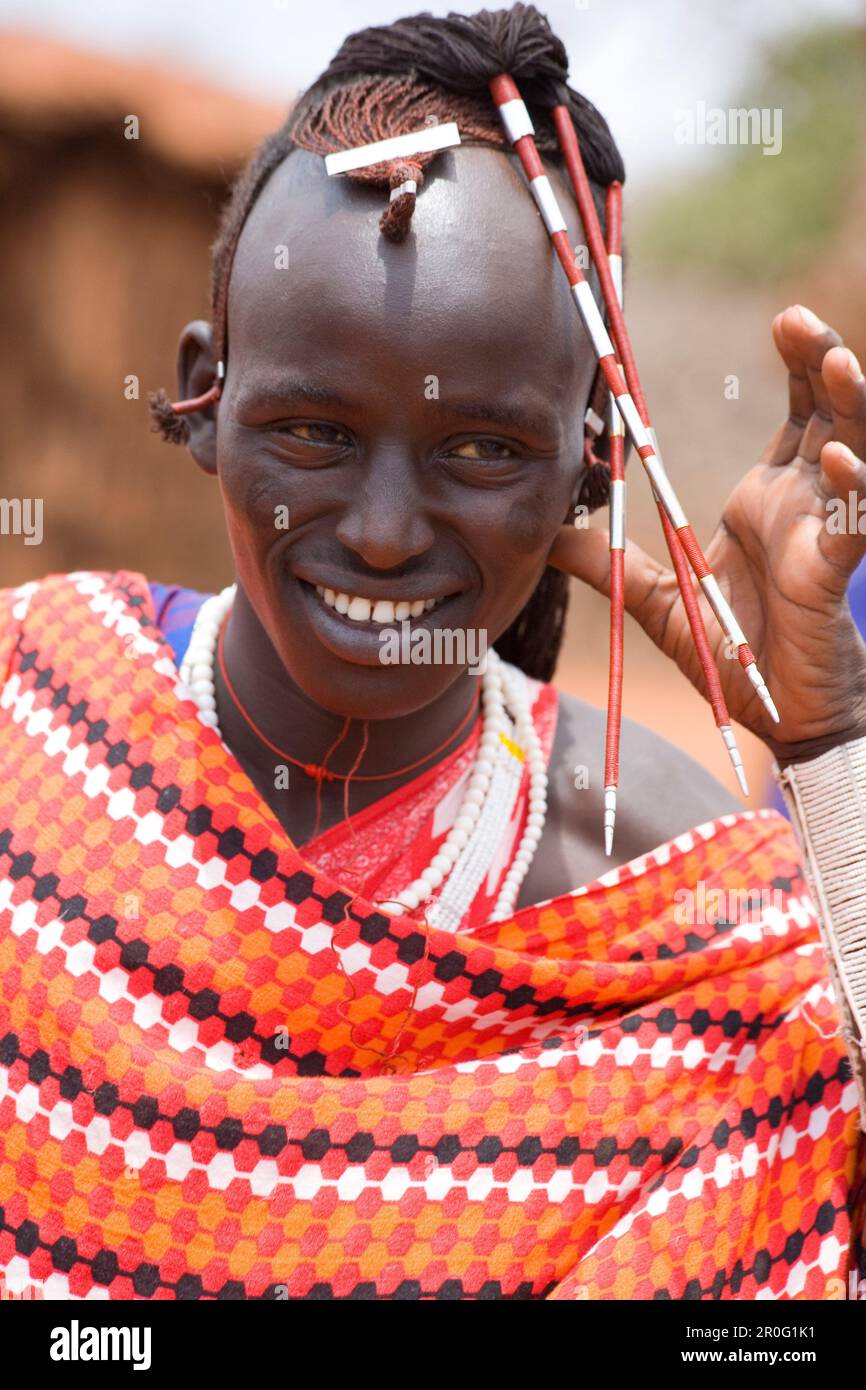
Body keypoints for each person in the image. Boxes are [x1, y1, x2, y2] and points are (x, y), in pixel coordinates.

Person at [1, 5, 864, 1301]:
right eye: (311, 432)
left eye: (481, 449)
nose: (389, 535)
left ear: (591, 462)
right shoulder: (31, 720)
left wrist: (828, 743)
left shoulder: (655, 876)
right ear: (201, 401)